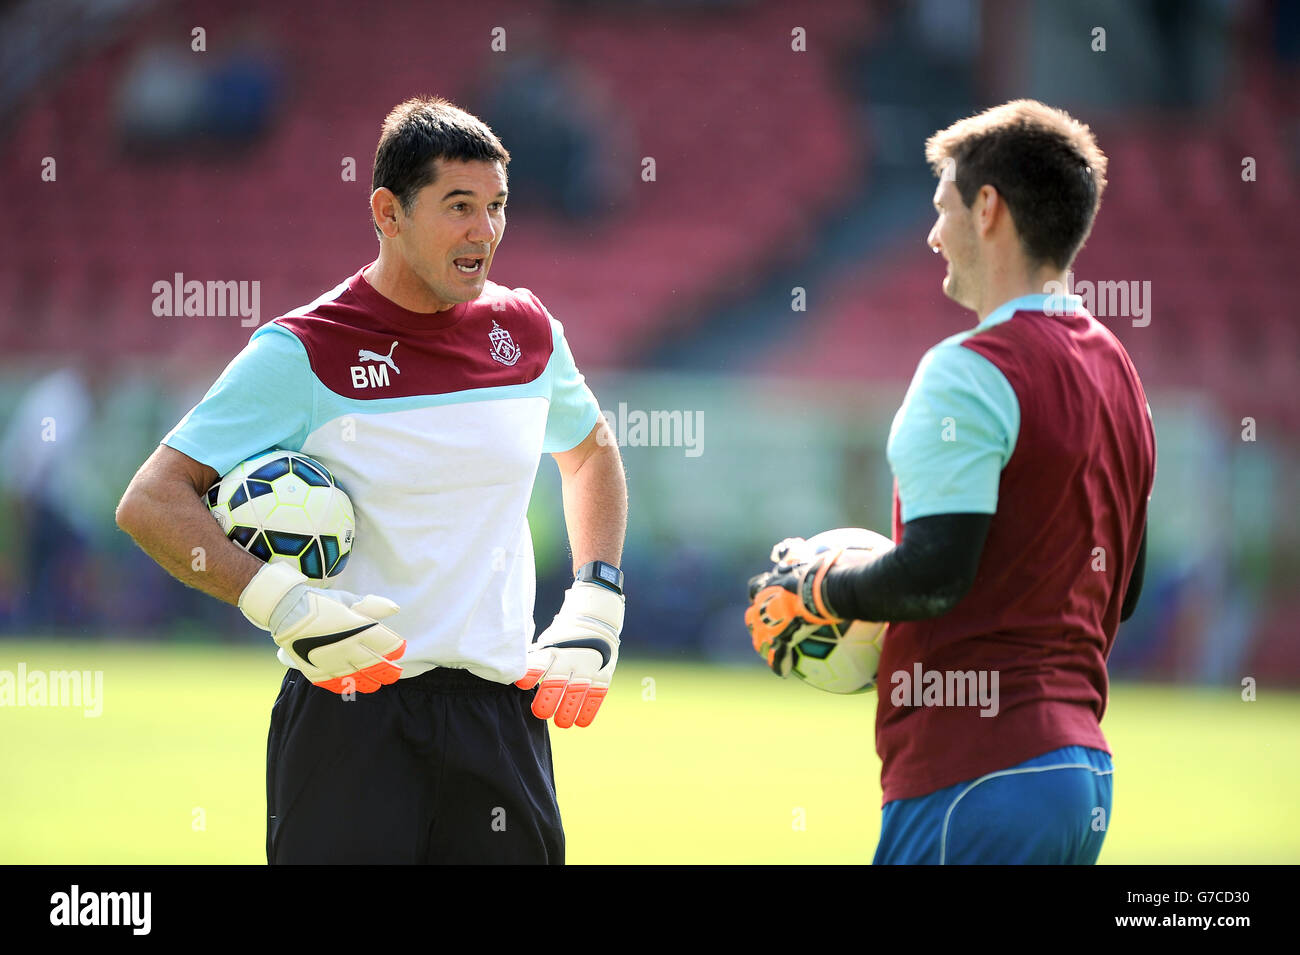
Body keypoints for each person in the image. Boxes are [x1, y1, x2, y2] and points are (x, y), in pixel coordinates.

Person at [115, 96, 628, 865]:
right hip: (347, 720)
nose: (484, 232)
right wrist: (279, 602)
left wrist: (597, 598)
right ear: (387, 211)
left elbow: (590, 453)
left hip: (501, 719)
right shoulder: (303, 350)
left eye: (497, 207)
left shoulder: (525, 331)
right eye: (460, 207)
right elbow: (150, 500)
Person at [745, 100, 1155, 865]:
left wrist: (823, 587)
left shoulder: (969, 369)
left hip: (973, 778)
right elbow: (1122, 590)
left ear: (988, 208)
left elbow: (935, 575)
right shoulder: (1118, 369)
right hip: (1081, 777)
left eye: (943, 207)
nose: (932, 235)